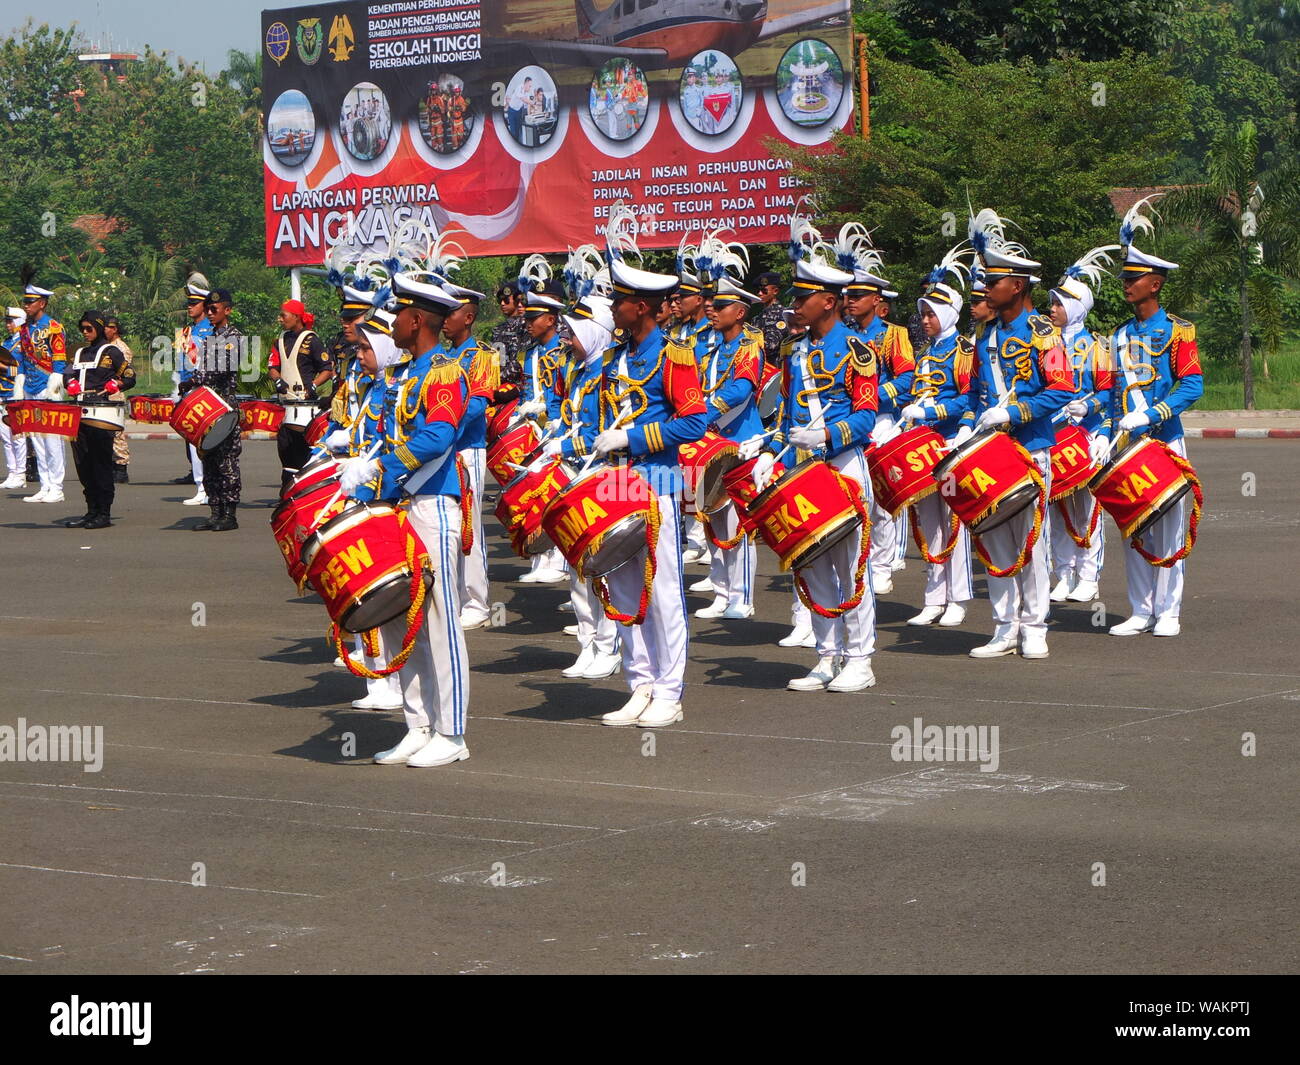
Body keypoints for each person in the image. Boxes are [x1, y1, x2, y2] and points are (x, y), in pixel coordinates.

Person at [340, 275, 472, 767]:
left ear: (417, 320)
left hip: (432, 505)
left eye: (397, 315)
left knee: (440, 624)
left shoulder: (443, 373)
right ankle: (418, 724)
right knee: (401, 619)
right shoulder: (405, 376)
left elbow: (438, 438)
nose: (390, 323)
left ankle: (452, 732)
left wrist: (381, 467)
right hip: (397, 508)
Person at [590, 204, 708, 728]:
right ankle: (639, 682)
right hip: (616, 483)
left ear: (642, 307)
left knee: (661, 590)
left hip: (656, 480)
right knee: (622, 586)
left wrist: (632, 437)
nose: (614, 308)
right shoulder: (616, 358)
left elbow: (695, 423)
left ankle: (670, 689)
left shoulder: (675, 357)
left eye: (620, 301)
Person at [752, 210, 879, 694]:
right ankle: (827, 655)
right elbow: (787, 415)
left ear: (829, 301)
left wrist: (826, 437)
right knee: (810, 562)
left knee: (851, 566)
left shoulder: (859, 350)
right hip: (801, 467)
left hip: (843, 465)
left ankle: (860, 658)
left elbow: (866, 417)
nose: (795, 307)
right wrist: (773, 451)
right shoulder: (793, 350)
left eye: (803, 299)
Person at [962, 209, 1075, 660]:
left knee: (1031, 539)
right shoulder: (986, 333)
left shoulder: (1044, 333)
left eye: (994, 282)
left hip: (1030, 448)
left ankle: (1034, 625)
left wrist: (1015, 411)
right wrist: (972, 423)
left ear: (1018, 287)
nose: (986, 288)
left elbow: (1062, 388)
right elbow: (973, 392)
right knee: (993, 537)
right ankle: (1004, 624)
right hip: (990, 451)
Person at [1093, 197, 1203, 638]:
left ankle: (1169, 610)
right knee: (1132, 527)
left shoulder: (1179, 331)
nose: (1125, 284)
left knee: (1170, 528)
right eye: (1125, 277)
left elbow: (1192, 385)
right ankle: (1140, 609)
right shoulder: (1120, 334)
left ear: (1154, 284)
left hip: (1163, 442)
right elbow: (1112, 393)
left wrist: (1153, 413)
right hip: (1126, 445)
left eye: (1133, 279)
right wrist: (1103, 431)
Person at [539, 291, 622, 679]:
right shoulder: (578, 370)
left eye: (572, 333)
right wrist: (555, 434)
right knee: (577, 567)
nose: (566, 341)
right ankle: (588, 643)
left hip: (604, 476)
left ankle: (609, 644)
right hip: (575, 472)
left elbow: (607, 431)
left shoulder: (610, 372)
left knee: (599, 564)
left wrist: (567, 442)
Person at [898, 249, 977, 628]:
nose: (925, 320)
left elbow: (968, 399)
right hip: (919, 448)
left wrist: (929, 413)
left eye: (931, 314)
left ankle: (958, 597)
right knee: (927, 523)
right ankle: (933, 595)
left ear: (947, 314)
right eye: (923, 314)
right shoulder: (925, 353)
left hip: (947, 446)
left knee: (953, 522)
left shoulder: (964, 350)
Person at [835, 222, 915, 597]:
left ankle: (884, 562)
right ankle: (862, 559)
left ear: (876, 300)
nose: (851, 301)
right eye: (848, 295)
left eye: (859, 295)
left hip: (881, 420)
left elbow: (907, 381)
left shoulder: (894, 334)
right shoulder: (846, 335)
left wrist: (870, 394)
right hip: (852, 423)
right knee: (854, 496)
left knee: (884, 496)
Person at [693, 230, 762, 620]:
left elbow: (742, 389)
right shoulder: (709, 347)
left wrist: (703, 409)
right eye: (710, 305)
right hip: (710, 441)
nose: (711, 311)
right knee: (711, 514)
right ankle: (721, 590)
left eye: (720, 306)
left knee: (738, 520)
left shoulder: (750, 345)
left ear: (740, 311)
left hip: (740, 441)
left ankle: (743, 595)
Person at [1045, 245, 1119, 605]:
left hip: (1085, 434)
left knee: (1087, 507)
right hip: (1052, 434)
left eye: (1059, 304)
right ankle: (1064, 572)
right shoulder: (1045, 344)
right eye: (1053, 303)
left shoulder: (1097, 347)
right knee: (1057, 509)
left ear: (1076, 306)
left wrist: (1085, 405)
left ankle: (1089, 575)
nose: (1053, 310)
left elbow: (1108, 394)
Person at [438, 267, 499, 630]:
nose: (445, 320)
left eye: (451, 313)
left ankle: (477, 600)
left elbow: (479, 404)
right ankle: (454, 596)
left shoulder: (483, 356)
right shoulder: (443, 358)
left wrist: (444, 424)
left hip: (467, 448)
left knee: (468, 527)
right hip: (445, 449)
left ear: (469, 317)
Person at [515, 267, 570, 584]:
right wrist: (524, 410)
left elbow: (564, 394)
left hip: (557, 432)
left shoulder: (562, 351)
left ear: (550, 319)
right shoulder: (530, 353)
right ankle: (540, 557)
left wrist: (557, 422)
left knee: (557, 494)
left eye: (533, 318)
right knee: (536, 495)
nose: (527, 323)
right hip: (534, 432)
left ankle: (560, 560)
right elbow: (527, 388)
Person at [61, 310, 136, 529]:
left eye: (89, 328)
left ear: (99, 327)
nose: (85, 332)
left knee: (101, 463)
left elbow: (130, 376)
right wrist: (69, 383)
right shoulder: (80, 352)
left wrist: (117, 384)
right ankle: (90, 510)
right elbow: (68, 373)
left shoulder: (111, 352)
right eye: (82, 328)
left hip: (101, 414)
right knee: (83, 464)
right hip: (79, 412)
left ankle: (103, 512)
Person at [189, 289, 244, 531]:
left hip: (224, 406)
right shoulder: (209, 336)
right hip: (207, 404)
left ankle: (229, 514)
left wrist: (197, 378)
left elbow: (222, 369)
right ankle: (215, 510)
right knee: (209, 457)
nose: (210, 313)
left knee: (227, 460)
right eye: (208, 310)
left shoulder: (233, 337)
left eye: (214, 309)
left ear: (227, 310)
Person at [12, 278, 67, 503]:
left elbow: (60, 359)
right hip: (30, 387)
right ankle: (45, 485)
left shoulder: (53, 327)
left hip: (48, 387)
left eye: (30, 301)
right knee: (35, 438)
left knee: (52, 439)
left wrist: (54, 384)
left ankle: (57, 486)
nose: (26, 305)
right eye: (25, 301)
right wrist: (21, 383)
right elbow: (23, 360)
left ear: (42, 303)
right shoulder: (24, 329)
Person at [269, 298, 332, 492]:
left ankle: (305, 490)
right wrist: (277, 378)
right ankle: (287, 490)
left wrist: (313, 385)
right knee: (286, 450)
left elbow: (327, 368)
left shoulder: (311, 340)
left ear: (296, 317)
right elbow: (272, 366)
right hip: (286, 405)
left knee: (304, 451)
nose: (280, 319)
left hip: (305, 406)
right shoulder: (280, 339)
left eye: (284, 315)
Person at [176, 282, 212, 497]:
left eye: (194, 304)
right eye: (188, 304)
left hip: (205, 389)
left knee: (207, 440)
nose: (189, 308)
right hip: (189, 388)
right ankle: (200, 486)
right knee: (193, 440)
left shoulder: (211, 329)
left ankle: (208, 486)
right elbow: (182, 362)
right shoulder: (186, 331)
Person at [0, 309, 29, 490]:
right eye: (7, 321)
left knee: (17, 435)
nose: (8, 324)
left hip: (16, 392)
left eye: (11, 321)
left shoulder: (24, 344)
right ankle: (12, 472)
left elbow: (24, 370)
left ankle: (21, 473)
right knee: (5, 437)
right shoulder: (6, 343)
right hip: (2, 392)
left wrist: (2, 368)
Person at [102, 317, 133, 483]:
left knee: (117, 432)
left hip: (115, 393)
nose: (105, 330)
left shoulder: (121, 348)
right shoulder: (104, 347)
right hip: (103, 393)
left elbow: (124, 374)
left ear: (115, 329)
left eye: (108, 327)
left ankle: (121, 467)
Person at [748, 270, 787, 368]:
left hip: (775, 370)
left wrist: (747, 346)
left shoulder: (783, 315)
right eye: (759, 290)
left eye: (764, 290)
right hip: (758, 368)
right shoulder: (757, 318)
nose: (760, 293)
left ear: (775, 291)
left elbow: (771, 345)